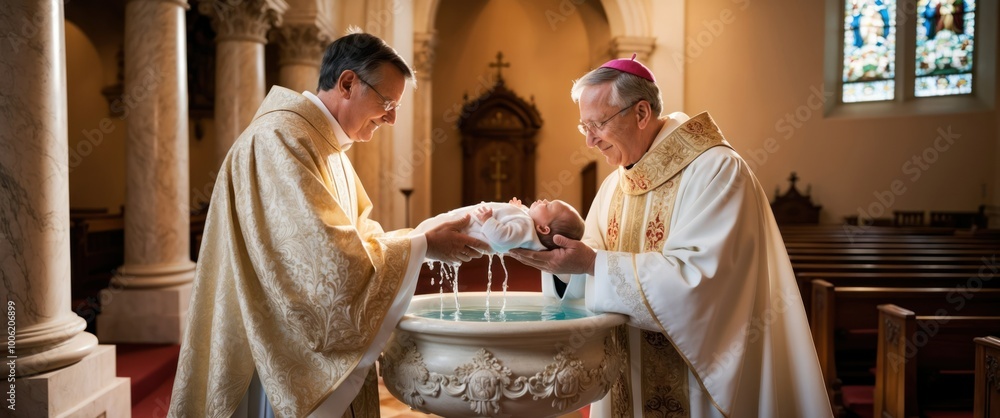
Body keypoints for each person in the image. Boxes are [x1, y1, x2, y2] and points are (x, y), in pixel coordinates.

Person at [168, 31, 490, 418]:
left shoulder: (325, 147)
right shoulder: (280, 139)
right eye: (387, 102)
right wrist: (422, 245)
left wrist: (423, 235)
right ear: (348, 83)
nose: (391, 118)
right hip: (275, 357)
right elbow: (328, 268)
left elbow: (358, 239)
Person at [509, 55, 833, 417]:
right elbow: (588, 266)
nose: (590, 141)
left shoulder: (717, 171)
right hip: (626, 378)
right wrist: (557, 261)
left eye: (597, 124)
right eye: (583, 127)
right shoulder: (616, 185)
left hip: (694, 387)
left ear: (642, 114)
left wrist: (591, 263)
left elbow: (702, 284)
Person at [414, 197, 586, 253]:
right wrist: (516, 209)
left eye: (548, 206)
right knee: (429, 228)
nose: (544, 200)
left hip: (466, 228)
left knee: (427, 230)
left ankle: (411, 244)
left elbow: (503, 239)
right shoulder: (526, 222)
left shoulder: (526, 227)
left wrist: (487, 220)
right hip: (462, 223)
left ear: (543, 228)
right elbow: (513, 225)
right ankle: (411, 243)